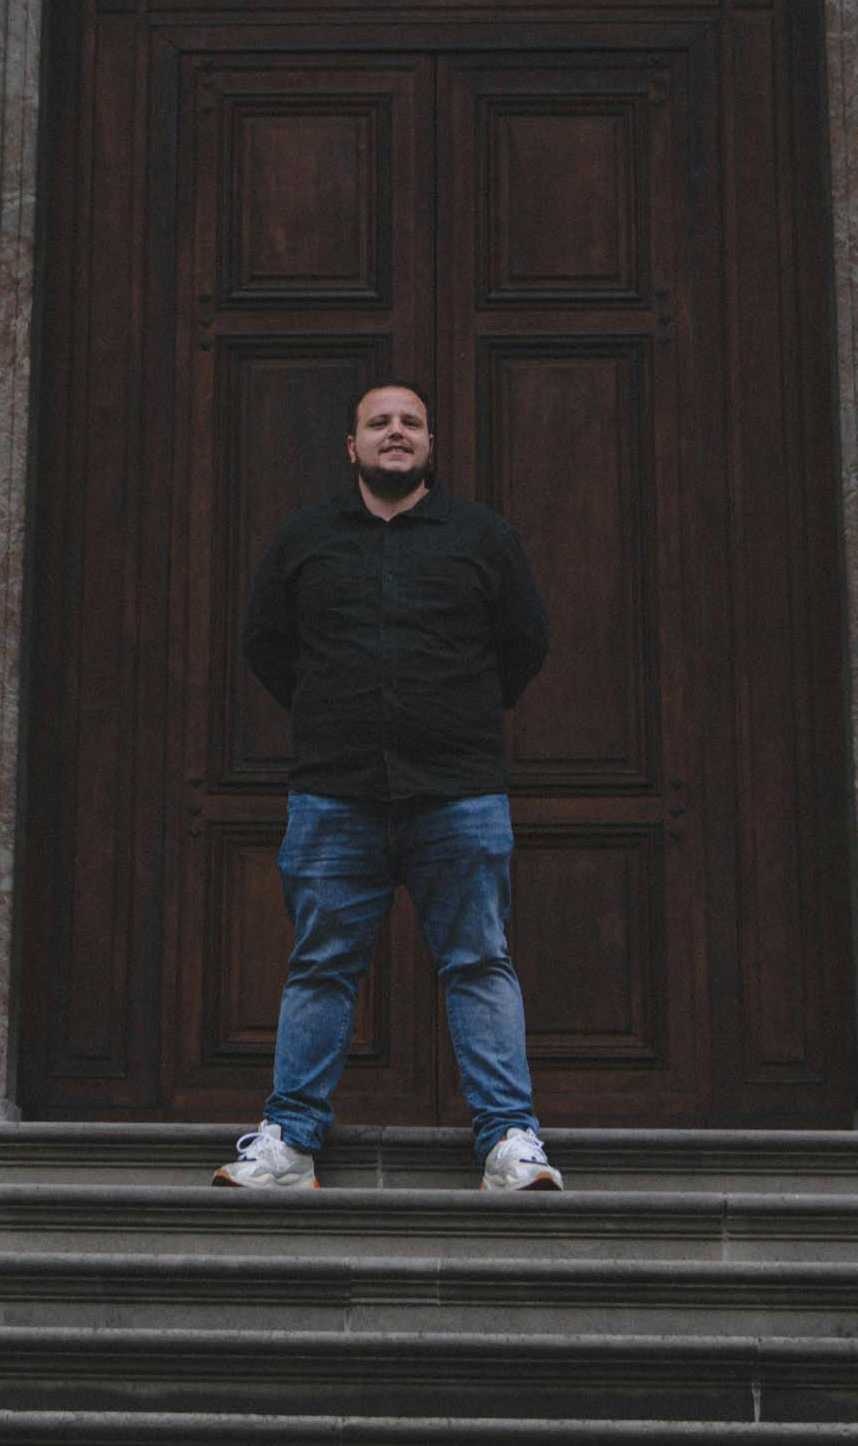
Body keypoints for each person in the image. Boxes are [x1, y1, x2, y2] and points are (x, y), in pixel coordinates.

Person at [216, 375, 563, 1195]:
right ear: (352, 445)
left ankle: (511, 1141)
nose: (396, 432)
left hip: (460, 792)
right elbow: (267, 644)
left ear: (431, 444)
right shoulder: (305, 539)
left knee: (479, 961)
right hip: (335, 794)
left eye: (411, 421)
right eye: (379, 422)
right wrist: (334, 713)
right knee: (320, 966)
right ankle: (290, 1143)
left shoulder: (484, 538)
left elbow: (526, 642)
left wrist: (456, 716)